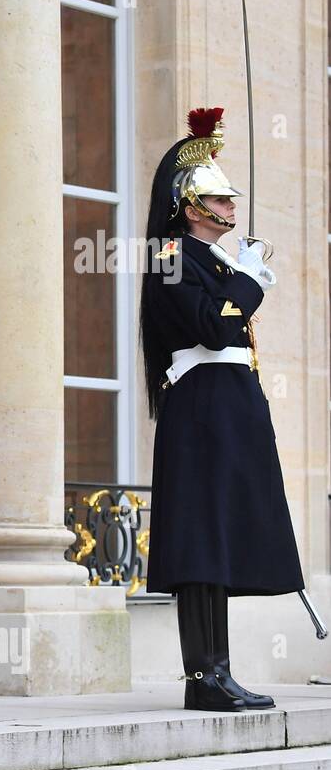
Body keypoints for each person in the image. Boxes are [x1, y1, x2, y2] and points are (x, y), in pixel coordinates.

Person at [140, 107, 301, 711]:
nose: (232, 209)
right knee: (201, 544)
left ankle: (220, 671)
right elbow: (212, 328)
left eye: (230, 200)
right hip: (202, 409)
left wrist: (241, 276)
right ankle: (201, 678)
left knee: (220, 543)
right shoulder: (169, 256)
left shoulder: (214, 261)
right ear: (191, 205)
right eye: (219, 200)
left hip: (227, 409)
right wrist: (251, 282)